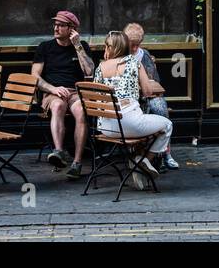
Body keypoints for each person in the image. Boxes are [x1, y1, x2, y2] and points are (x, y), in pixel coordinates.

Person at [93, 30, 173, 189]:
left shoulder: (100, 67)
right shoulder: (133, 62)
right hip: (130, 124)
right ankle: (143, 161)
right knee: (167, 125)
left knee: (143, 124)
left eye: (106, 46)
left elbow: (96, 97)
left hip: (106, 128)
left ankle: (139, 161)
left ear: (111, 48)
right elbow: (149, 92)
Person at [32, 10, 95, 179]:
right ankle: (59, 151)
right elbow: (34, 77)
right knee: (58, 105)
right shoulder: (45, 47)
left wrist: (78, 46)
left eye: (61, 25)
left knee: (82, 111)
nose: (56, 28)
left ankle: (77, 163)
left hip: (75, 92)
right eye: (55, 24)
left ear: (72, 29)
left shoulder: (82, 46)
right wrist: (53, 89)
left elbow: (90, 71)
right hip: (53, 92)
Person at [123, 21, 179, 169]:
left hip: (148, 95)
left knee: (160, 107)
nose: (134, 48)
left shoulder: (145, 55)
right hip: (129, 100)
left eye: (137, 44)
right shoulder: (119, 55)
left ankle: (165, 153)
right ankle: (142, 154)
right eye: (131, 44)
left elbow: (154, 82)